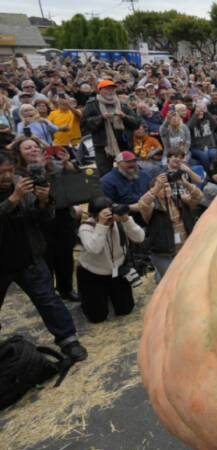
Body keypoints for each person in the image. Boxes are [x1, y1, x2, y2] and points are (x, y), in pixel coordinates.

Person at [0, 151, 87, 362]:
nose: (7, 176)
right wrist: (14, 199)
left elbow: (44, 218)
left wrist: (43, 202)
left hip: (28, 257)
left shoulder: (22, 183)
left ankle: (68, 340)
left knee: (48, 300)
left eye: (10, 170)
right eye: (2, 172)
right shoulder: (17, 191)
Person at [76, 196, 145, 323]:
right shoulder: (86, 228)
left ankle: (106, 296)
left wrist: (126, 219)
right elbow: (94, 249)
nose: (109, 218)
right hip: (93, 274)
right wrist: (102, 225)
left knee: (125, 310)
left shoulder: (119, 222)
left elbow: (140, 237)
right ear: (94, 215)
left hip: (117, 271)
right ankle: (90, 299)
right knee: (97, 317)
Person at [137, 161, 203, 283]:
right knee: (169, 283)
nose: (165, 189)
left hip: (184, 250)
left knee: (187, 280)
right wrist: (157, 186)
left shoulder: (179, 199)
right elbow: (142, 204)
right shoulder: (152, 206)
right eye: (162, 188)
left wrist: (185, 183)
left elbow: (198, 197)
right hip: (164, 254)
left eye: (167, 186)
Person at [80, 79, 141, 177]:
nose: (110, 92)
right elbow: (84, 125)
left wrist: (124, 116)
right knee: (105, 174)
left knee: (130, 172)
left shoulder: (122, 105)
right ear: (100, 90)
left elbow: (137, 123)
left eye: (112, 89)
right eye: (107, 89)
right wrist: (101, 118)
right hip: (103, 146)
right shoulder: (92, 104)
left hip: (124, 144)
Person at [187, 103, 217, 171]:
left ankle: (214, 171)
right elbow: (189, 127)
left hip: (210, 146)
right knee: (204, 155)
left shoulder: (208, 120)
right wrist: (196, 115)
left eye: (201, 112)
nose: (200, 113)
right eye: (198, 112)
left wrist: (206, 112)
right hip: (196, 148)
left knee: (213, 153)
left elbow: (215, 124)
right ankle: (206, 172)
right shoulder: (191, 122)